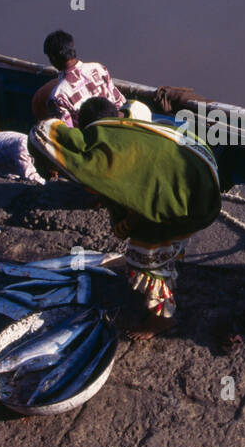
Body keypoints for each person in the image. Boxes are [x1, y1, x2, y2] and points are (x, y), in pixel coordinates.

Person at [30, 97, 222, 341]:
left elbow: (42, 133)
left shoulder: (98, 144)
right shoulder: (131, 119)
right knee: (153, 211)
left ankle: (162, 318)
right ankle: (171, 253)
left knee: (145, 257)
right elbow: (133, 171)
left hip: (194, 203)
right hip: (203, 170)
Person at [33, 30, 125, 128]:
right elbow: (120, 103)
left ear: (53, 58)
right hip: (116, 126)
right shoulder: (98, 68)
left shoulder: (58, 96)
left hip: (91, 139)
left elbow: (67, 133)